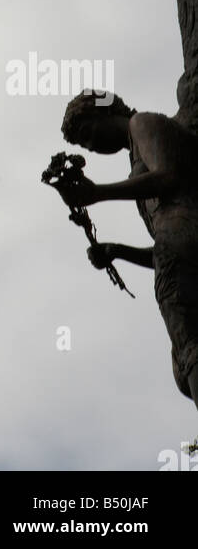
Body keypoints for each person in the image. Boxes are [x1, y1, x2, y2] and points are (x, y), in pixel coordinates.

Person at [56, 88, 198, 409]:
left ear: (105, 112)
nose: (91, 147)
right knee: (184, 364)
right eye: (83, 144)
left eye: (89, 134)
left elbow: (169, 178)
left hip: (184, 258)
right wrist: (118, 251)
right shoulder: (136, 157)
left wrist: (98, 193)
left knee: (190, 349)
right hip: (178, 261)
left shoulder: (143, 123)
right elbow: (166, 245)